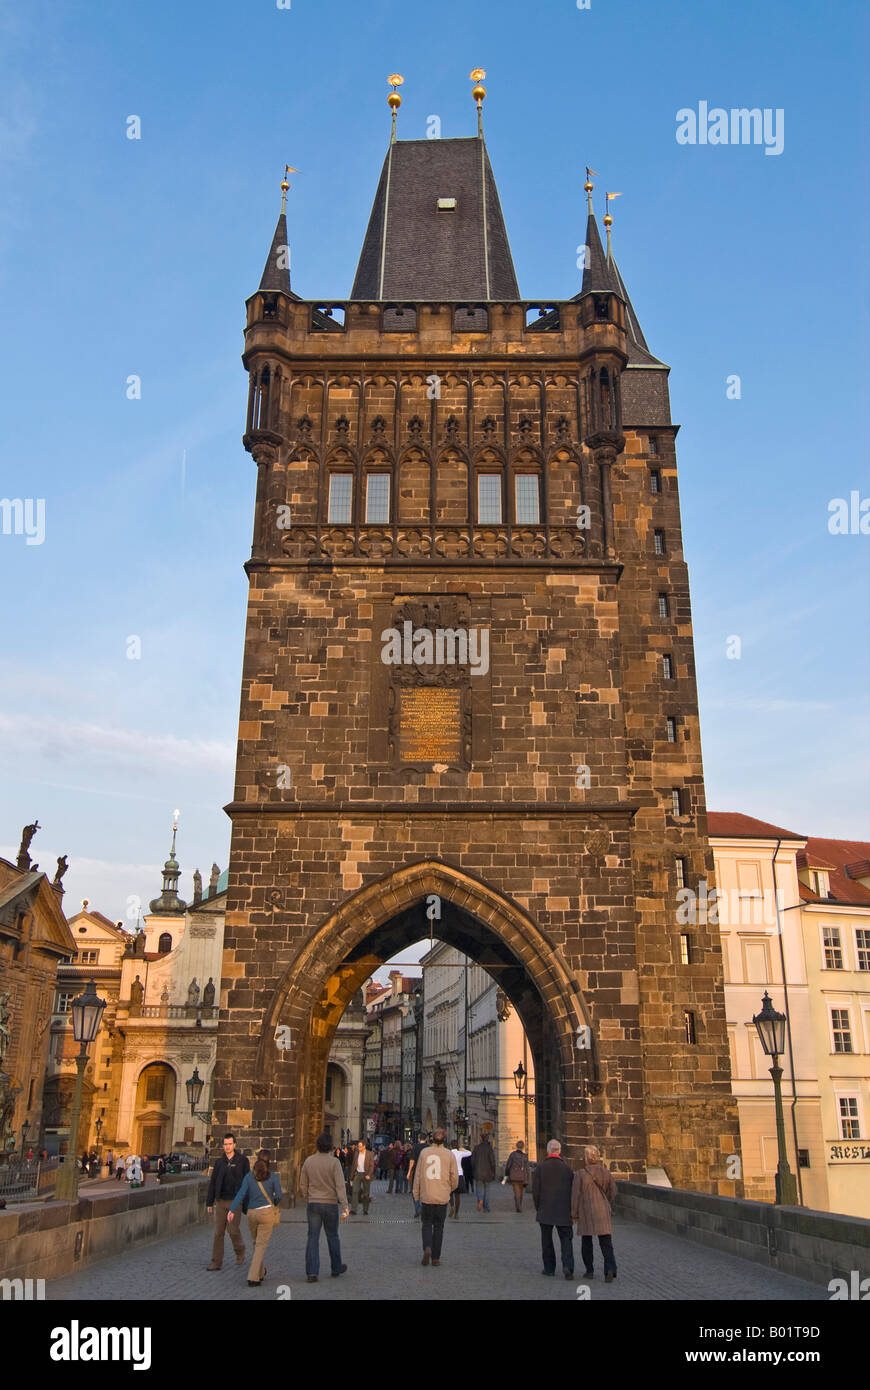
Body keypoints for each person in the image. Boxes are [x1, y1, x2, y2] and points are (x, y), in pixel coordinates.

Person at [299, 1131, 349, 1283]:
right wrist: (345, 1206)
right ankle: (335, 1267)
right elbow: (340, 1186)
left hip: (314, 1203)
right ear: (330, 1147)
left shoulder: (309, 1161)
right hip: (330, 1204)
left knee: (312, 1237)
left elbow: (302, 1184)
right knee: (332, 1236)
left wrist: (306, 1195)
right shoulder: (334, 1163)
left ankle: (312, 1272)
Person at [228, 1150, 283, 1287]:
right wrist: (274, 1202)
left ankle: (261, 1271)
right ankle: (253, 1277)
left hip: (252, 1214)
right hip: (266, 1213)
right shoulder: (273, 1177)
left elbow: (241, 1194)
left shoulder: (249, 1177)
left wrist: (232, 1209)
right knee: (260, 1245)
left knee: (257, 1243)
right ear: (269, 1161)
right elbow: (279, 1195)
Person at [411, 1128, 458, 1267]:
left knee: (426, 1224)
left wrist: (416, 1193)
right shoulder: (449, 1155)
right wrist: (449, 1189)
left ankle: (427, 1247)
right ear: (444, 1139)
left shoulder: (425, 1153)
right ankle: (436, 1258)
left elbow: (418, 1174)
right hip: (442, 1196)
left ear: (431, 1139)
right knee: (439, 1227)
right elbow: (454, 1177)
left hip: (427, 1195)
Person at [572, 1144, 617, 1282]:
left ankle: (589, 1270)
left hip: (586, 1211)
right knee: (606, 1242)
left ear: (586, 1158)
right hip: (602, 1210)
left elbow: (575, 1196)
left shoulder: (580, 1174)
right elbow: (613, 1191)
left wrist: (574, 1213)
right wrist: (605, 1200)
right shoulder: (605, 1172)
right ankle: (609, 1268)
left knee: (587, 1242)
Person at [205, 1132, 250, 1271]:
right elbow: (213, 1182)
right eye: (225, 1144)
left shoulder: (242, 1161)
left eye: (230, 1144)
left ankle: (240, 1249)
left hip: (235, 1201)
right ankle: (216, 1262)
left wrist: (247, 1203)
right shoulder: (219, 1162)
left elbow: (248, 1181)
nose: (227, 1147)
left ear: (234, 1145)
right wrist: (209, 1202)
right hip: (221, 1200)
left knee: (233, 1230)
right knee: (218, 1232)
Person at [532, 1139, 575, 1279]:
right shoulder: (567, 1169)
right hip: (563, 1210)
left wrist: (538, 1207)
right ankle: (568, 1266)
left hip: (546, 1209)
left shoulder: (541, 1167)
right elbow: (572, 1191)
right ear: (559, 1151)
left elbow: (536, 1191)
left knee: (547, 1241)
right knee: (566, 1240)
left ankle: (549, 1268)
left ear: (548, 1151)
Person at [406, 1132, 429, 1218]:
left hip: (417, 1171)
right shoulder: (428, 1148)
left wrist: (409, 1172)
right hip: (427, 1172)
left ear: (419, 1139)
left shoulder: (415, 1147)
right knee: (425, 1191)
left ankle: (417, 1209)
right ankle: (424, 1208)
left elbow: (412, 1160)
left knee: (415, 1191)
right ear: (426, 1139)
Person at [472, 1133, 496, 1212]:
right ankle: (486, 1207)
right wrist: (493, 1172)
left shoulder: (476, 1148)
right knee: (487, 1190)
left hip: (478, 1173)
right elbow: (492, 1162)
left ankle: (480, 1200)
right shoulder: (489, 1148)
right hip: (488, 1173)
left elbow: (472, 1161)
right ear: (487, 1139)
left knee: (479, 1189)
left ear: (481, 1139)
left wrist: (474, 1170)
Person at [504, 1140, 530, 1212]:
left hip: (514, 1176)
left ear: (516, 1146)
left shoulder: (512, 1155)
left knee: (516, 1192)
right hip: (522, 1177)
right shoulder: (525, 1156)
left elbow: (508, 1166)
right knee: (521, 1192)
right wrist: (528, 1178)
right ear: (523, 1147)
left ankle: (518, 1206)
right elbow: (527, 1168)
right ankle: (519, 1205)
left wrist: (506, 1176)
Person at [349, 1139, 374, 1215]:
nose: (358, 1148)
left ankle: (365, 1210)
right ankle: (353, 1209)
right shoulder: (356, 1154)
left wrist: (369, 1175)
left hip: (366, 1174)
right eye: (358, 1147)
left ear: (364, 1146)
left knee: (366, 1193)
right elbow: (353, 1165)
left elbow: (371, 1166)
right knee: (355, 1191)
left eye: (360, 1147)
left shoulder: (369, 1154)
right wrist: (351, 1176)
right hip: (358, 1174)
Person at [449, 1141, 466, 1219]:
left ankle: (452, 1206)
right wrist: (463, 1149)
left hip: (450, 1174)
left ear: (451, 1146)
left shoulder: (448, 1153)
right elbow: (470, 1153)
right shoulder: (460, 1153)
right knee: (457, 1195)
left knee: (450, 1193)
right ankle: (456, 1213)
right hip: (459, 1174)